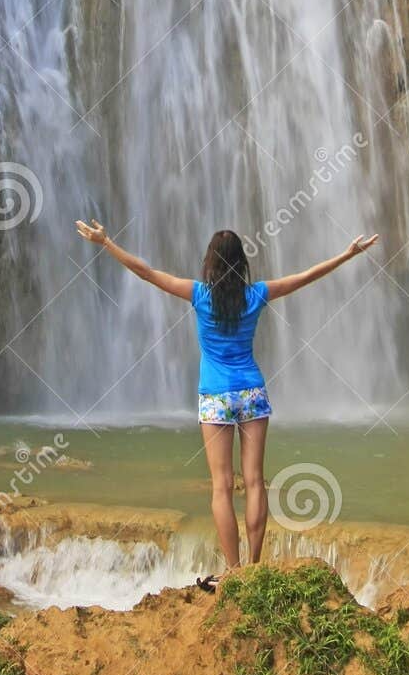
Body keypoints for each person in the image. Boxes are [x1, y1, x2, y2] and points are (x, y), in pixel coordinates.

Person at [74, 219, 379, 584]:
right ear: (242, 263)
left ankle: (232, 572)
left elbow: (146, 273)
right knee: (254, 482)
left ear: (210, 263)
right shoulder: (257, 295)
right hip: (252, 393)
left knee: (221, 486)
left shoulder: (199, 295)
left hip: (215, 397)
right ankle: (254, 566)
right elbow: (305, 277)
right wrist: (347, 255)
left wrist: (107, 242)